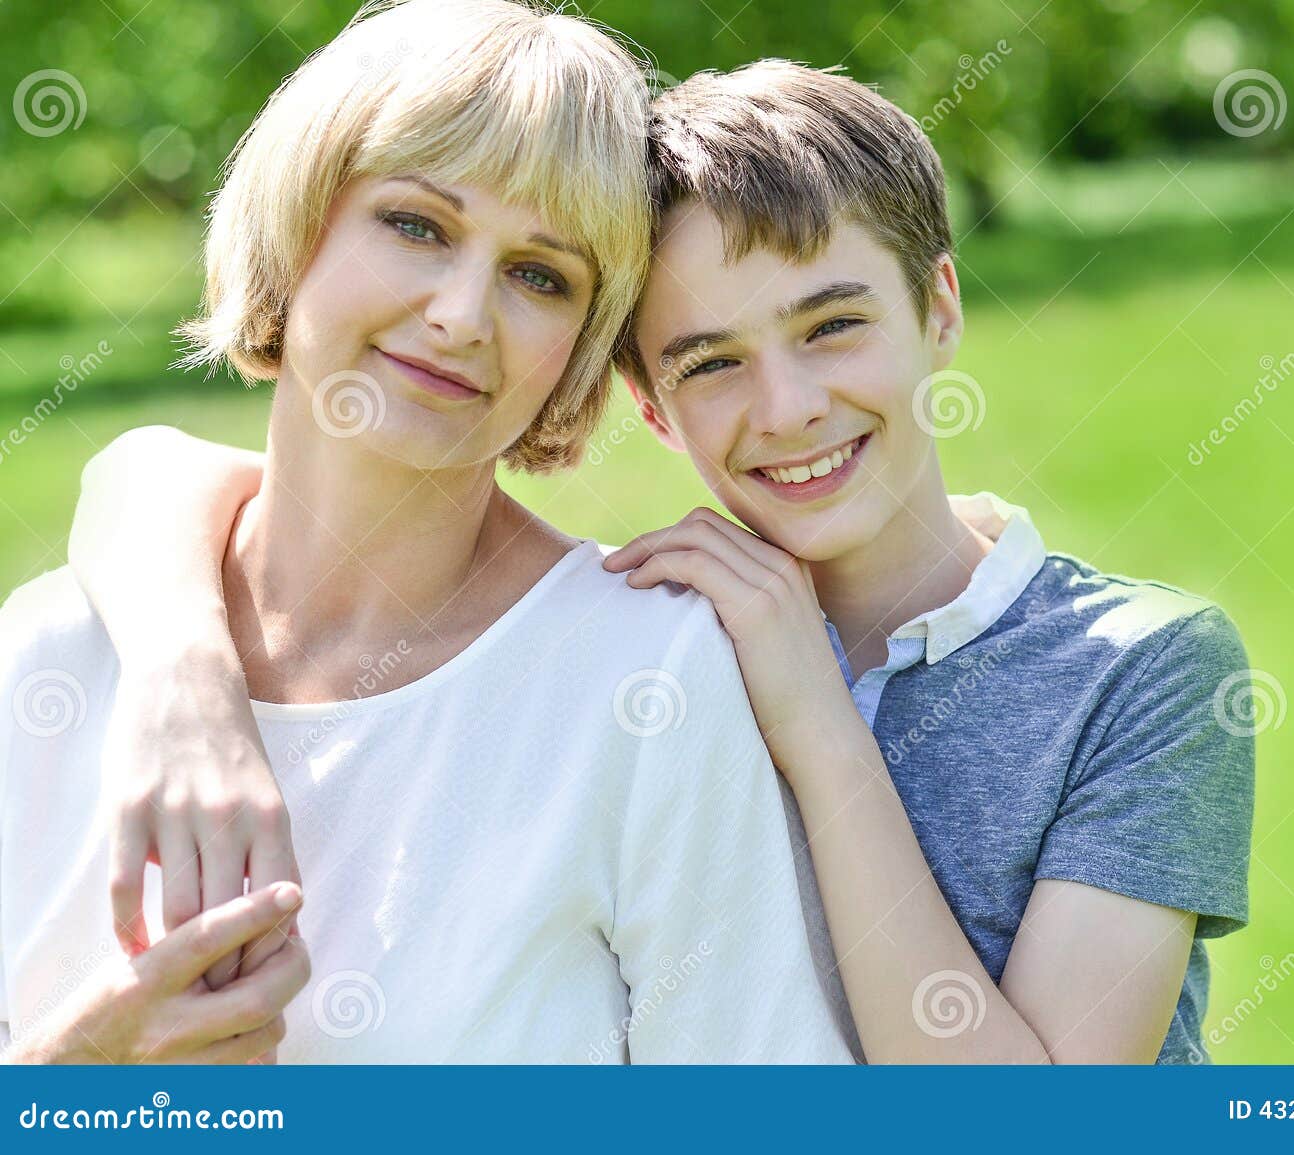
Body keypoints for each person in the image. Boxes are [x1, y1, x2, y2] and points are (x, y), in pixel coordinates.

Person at [64, 61, 1255, 1063]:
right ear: (645, 402)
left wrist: (818, 725)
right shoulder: (667, 646)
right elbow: (156, 471)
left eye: (832, 325)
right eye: (710, 361)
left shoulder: (1133, 670)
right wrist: (185, 672)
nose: (787, 409)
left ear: (938, 307)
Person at [0, 1, 853, 1064]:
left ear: (583, 349)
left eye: (540, 276)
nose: (460, 314)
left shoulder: (647, 686)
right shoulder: (42, 659)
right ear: (300, 219)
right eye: (417, 224)